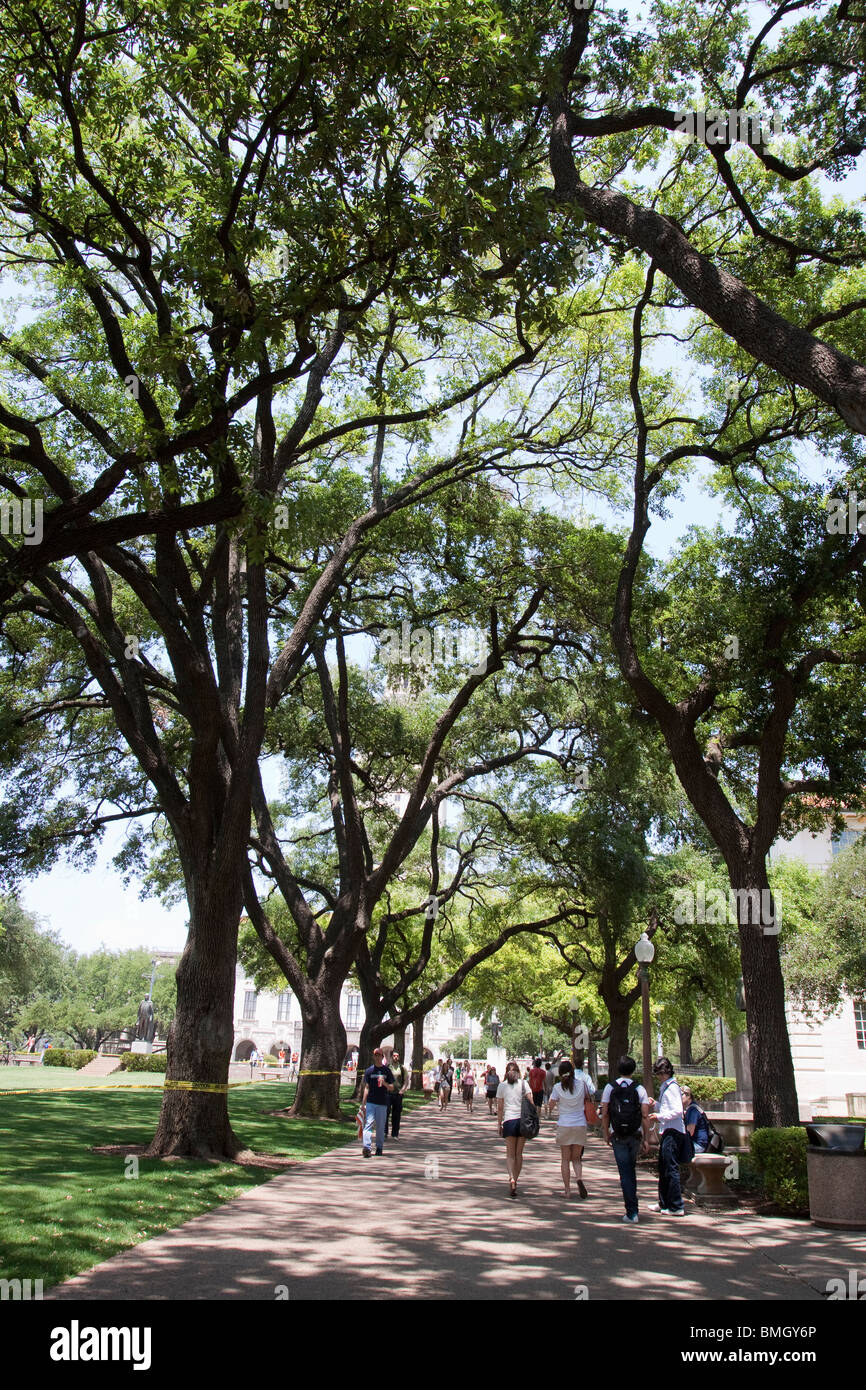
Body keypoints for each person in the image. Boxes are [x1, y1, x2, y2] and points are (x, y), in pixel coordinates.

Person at [601, 1055, 651, 1223]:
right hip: (635, 1135)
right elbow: (645, 1115)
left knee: (625, 1173)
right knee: (631, 1170)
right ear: (633, 1070)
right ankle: (633, 1208)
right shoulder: (640, 1089)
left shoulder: (610, 1088)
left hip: (618, 1135)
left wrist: (606, 1133)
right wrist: (647, 1138)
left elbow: (605, 1113)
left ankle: (632, 1212)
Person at [649, 1057, 688, 1216]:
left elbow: (677, 1111)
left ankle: (676, 1205)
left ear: (666, 1073)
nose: (659, 1077)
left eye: (660, 1074)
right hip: (667, 1130)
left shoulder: (672, 1087)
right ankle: (664, 1201)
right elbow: (667, 1107)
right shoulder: (667, 1087)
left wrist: (659, 1116)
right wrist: (656, 1106)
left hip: (673, 1131)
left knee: (670, 1168)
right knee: (663, 1167)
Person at [548, 1060, 590, 1198]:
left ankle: (567, 1190)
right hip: (580, 1124)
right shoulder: (581, 1085)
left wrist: (550, 1108)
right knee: (576, 1158)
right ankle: (578, 1178)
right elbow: (588, 1098)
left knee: (565, 1159)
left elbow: (551, 1104)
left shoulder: (558, 1087)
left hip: (565, 1124)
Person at [497, 1060, 534, 1198]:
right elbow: (531, 1102)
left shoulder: (502, 1086)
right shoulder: (524, 1084)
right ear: (518, 1071)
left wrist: (499, 1124)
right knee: (519, 1154)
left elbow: (500, 1108)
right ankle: (516, 1180)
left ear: (507, 1072)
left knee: (510, 1154)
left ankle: (511, 1177)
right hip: (522, 1121)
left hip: (509, 1120)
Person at [360, 1047, 396, 1157]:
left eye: (379, 1055)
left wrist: (384, 1083)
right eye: (375, 1055)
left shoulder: (386, 1071)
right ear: (373, 1056)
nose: (377, 1057)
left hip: (382, 1102)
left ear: (382, 1057)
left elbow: (392, 1087)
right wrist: (363, 1103)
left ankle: (379, 1147)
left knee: (380, 1127)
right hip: (371, 1102)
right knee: (368, 1124)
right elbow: (366, 1087)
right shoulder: (369, 1071)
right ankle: (366, 1147)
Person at [386, 1050, 409, 1138]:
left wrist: (402, 1090)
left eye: (397, 1056)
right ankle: (385, 1132)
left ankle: (395, 1133)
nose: (396, 1057)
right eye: (394, 1056)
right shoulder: (387, 1067)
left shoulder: (402, 1068)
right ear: (392, 1057)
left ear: (399, 1057)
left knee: (397, 1114)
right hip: (388, 1093)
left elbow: (406, 1080)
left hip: (398, 1094)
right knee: (386, 1112)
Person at [682, 1086, 710, 1153]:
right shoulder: (692, 1108)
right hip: (697, 1144)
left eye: (680, 1094)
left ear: (688, 1096)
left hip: (698, 1145)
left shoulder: (692, 1110)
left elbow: (689, 1132)